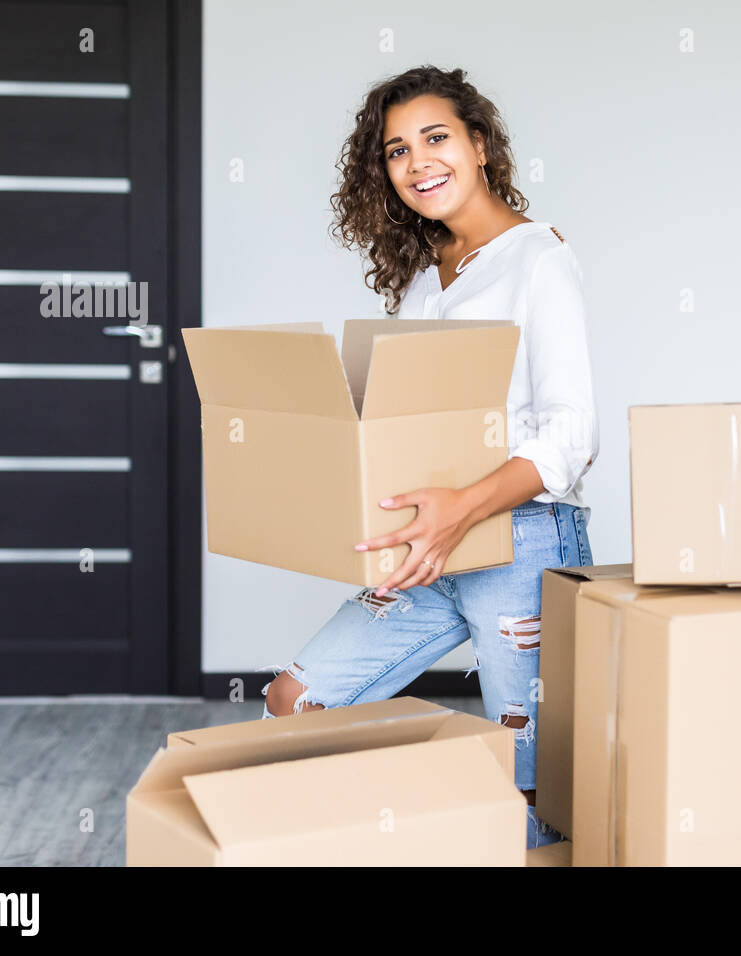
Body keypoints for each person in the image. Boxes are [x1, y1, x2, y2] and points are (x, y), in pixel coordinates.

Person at [261, 65, 598, 851]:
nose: (418, 163)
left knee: (531, 791)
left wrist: (462, 510)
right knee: (292, 699)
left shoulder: (539, 259)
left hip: (524, 538)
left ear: (479, 144)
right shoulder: (423, 279)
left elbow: (571, 434)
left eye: (436, 138)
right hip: (431, 543)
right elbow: (405, 422)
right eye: (396, 151)